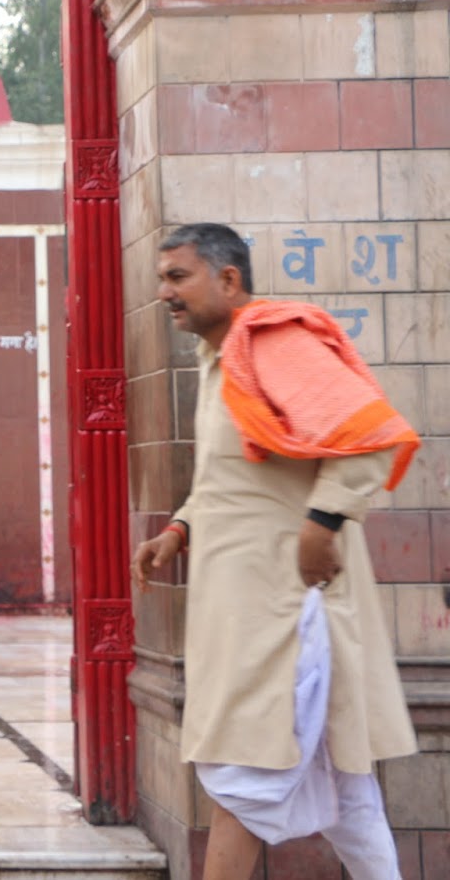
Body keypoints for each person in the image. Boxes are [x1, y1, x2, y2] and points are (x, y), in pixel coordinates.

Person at [132, 223, 419, 880]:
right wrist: (178, 530)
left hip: (286, 618)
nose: (163, 293)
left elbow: (373, 438)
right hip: (248, 616)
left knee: (242, 780)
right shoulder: (221, 360)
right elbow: (231, 483)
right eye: (162, 279)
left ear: (228, 280)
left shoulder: (274, 340)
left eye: (178, 277)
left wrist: (321, 524)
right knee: (346, 795)